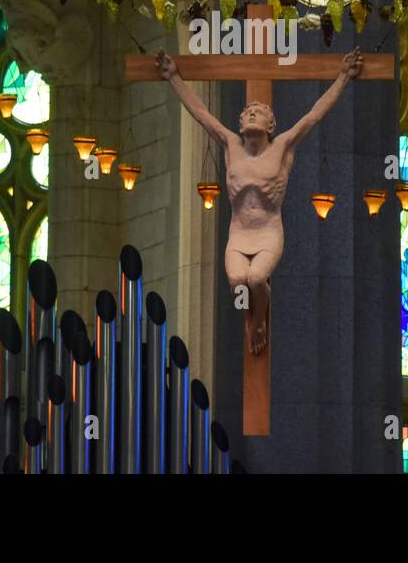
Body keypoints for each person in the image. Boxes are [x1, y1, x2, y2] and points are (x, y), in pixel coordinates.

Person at [155, 47, 364, 354]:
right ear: (240, 125)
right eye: (247, 113)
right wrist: (173, 77)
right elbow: (201, 114)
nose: (252, 113)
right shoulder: (230, 144)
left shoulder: (282, 147)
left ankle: (258, 323)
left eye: (259, 112)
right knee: (238, 280)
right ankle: (254, 316)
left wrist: (343, 77)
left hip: (267, 231)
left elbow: (313, 116)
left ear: (270, 125)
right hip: (239, 233)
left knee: (255, 278)